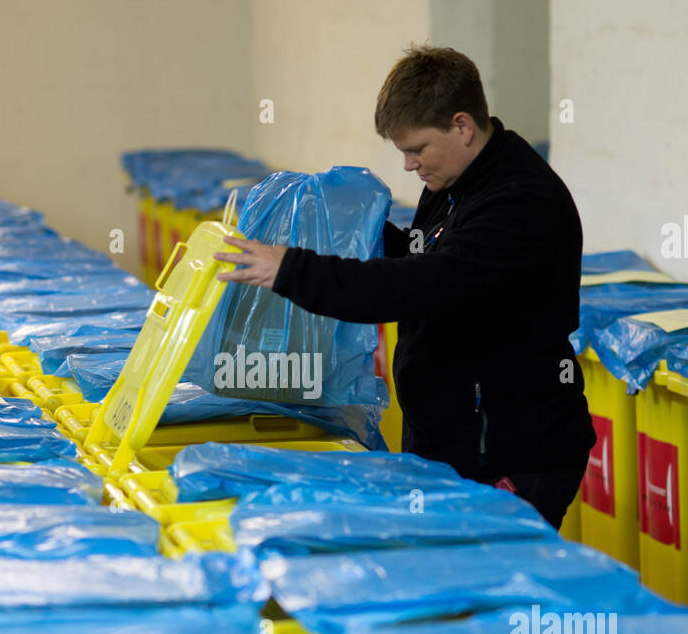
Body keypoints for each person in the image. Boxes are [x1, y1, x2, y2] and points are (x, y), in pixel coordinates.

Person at [213, 45, 595, 529]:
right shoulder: (456, 181)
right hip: (454, 441)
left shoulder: (522, 202)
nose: (410, 166)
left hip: (511, 455)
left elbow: (421, 284)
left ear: (462, 125)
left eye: (417, 150)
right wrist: (337, 224)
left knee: (474, 586)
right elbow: (420, 253)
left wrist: (291, 269)